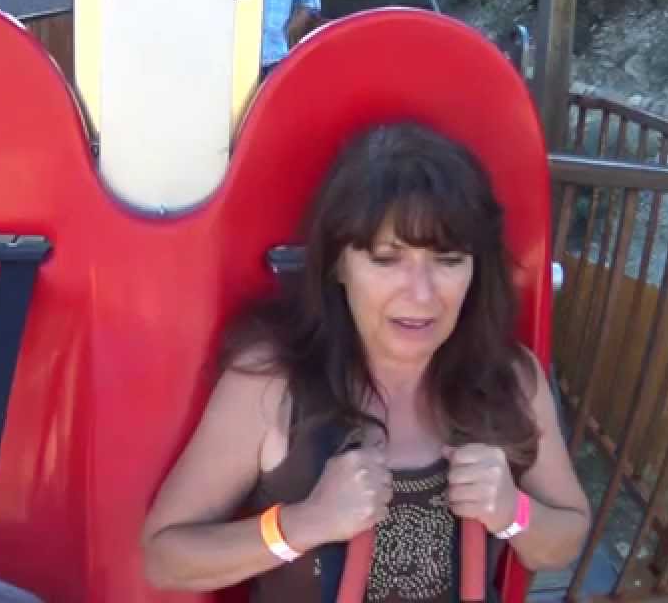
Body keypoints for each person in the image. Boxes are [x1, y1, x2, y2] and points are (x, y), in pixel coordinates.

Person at [140, 124, 590, 601]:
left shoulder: (510, 379)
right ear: (338, 264)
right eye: (386, 259)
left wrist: (514, 513)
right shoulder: (274, 383)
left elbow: (565, 540)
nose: (420, 294)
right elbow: (166, 558)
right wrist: (300, 524)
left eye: (448, 260)